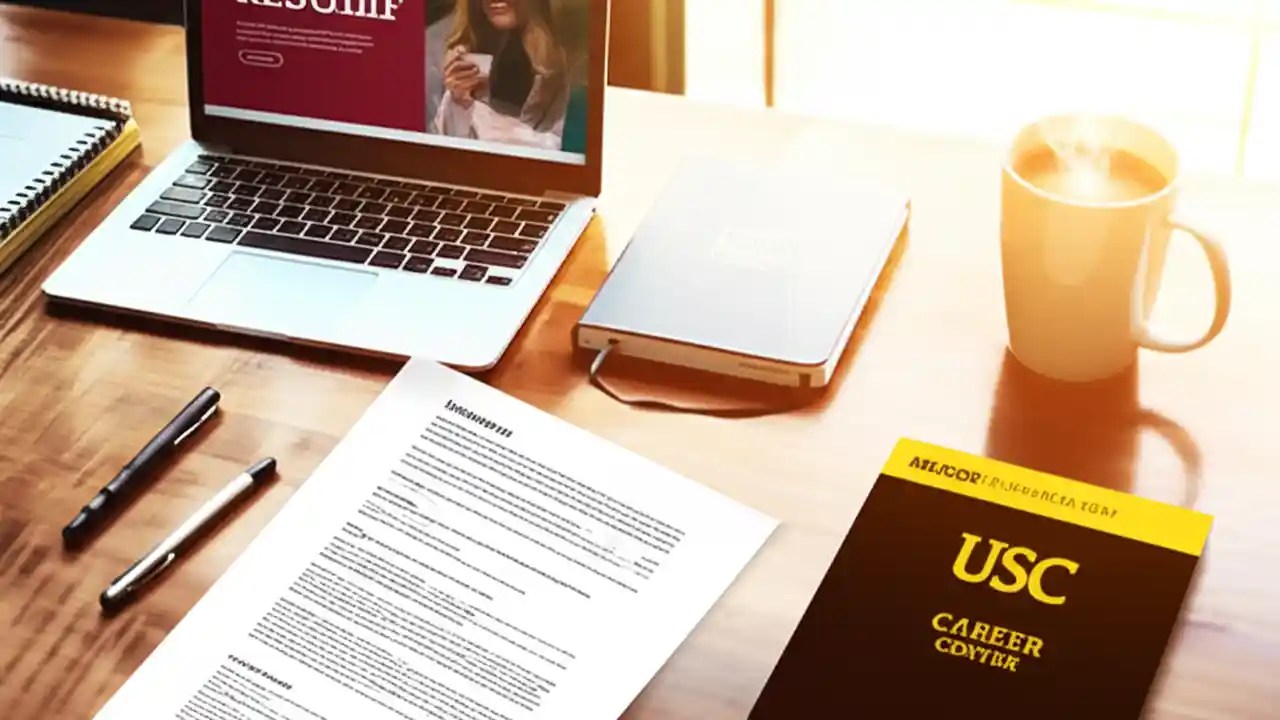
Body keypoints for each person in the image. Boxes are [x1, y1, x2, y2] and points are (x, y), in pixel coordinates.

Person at [433, 0, 570, 150]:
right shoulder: (450, 54)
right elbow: (446, 147)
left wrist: (493, 128)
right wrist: (457, 102)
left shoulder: (565, 61)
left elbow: (559, 145)